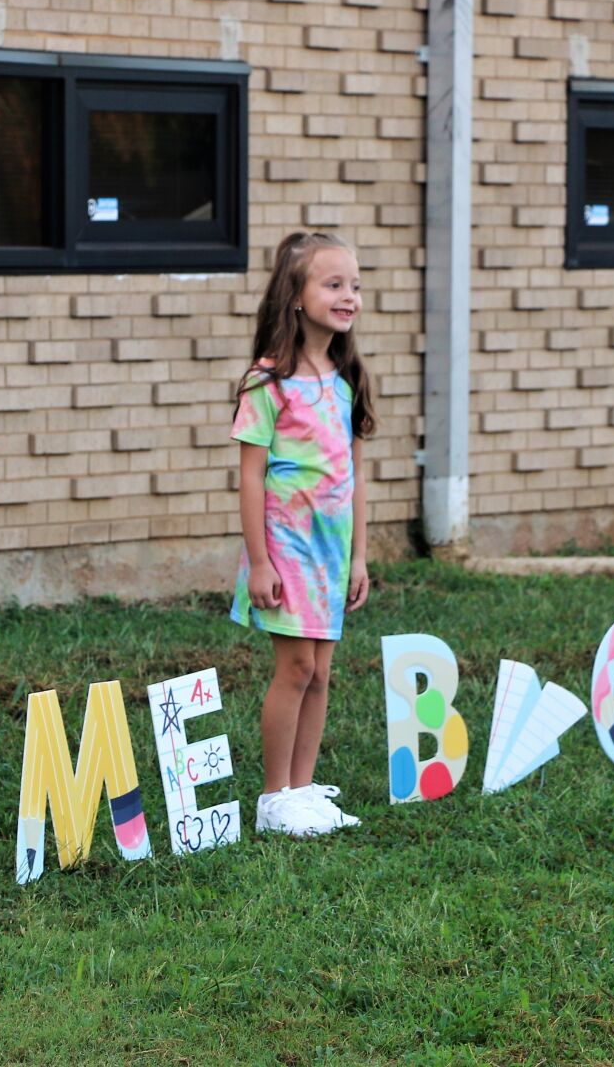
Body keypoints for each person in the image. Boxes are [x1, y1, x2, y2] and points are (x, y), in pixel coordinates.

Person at [229, 231, 375, 837]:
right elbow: (251, 477)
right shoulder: (268, 382)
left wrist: (360, 556)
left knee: (321, 672)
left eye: (355, 286)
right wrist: (260, 563)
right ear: (296, 295)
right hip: (286, 550)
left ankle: (303, 788)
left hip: (331, 553)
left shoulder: (345, 378)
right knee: (293, 670)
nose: (349, 296)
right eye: (333, 284)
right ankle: (274, 798)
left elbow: (355, 475)